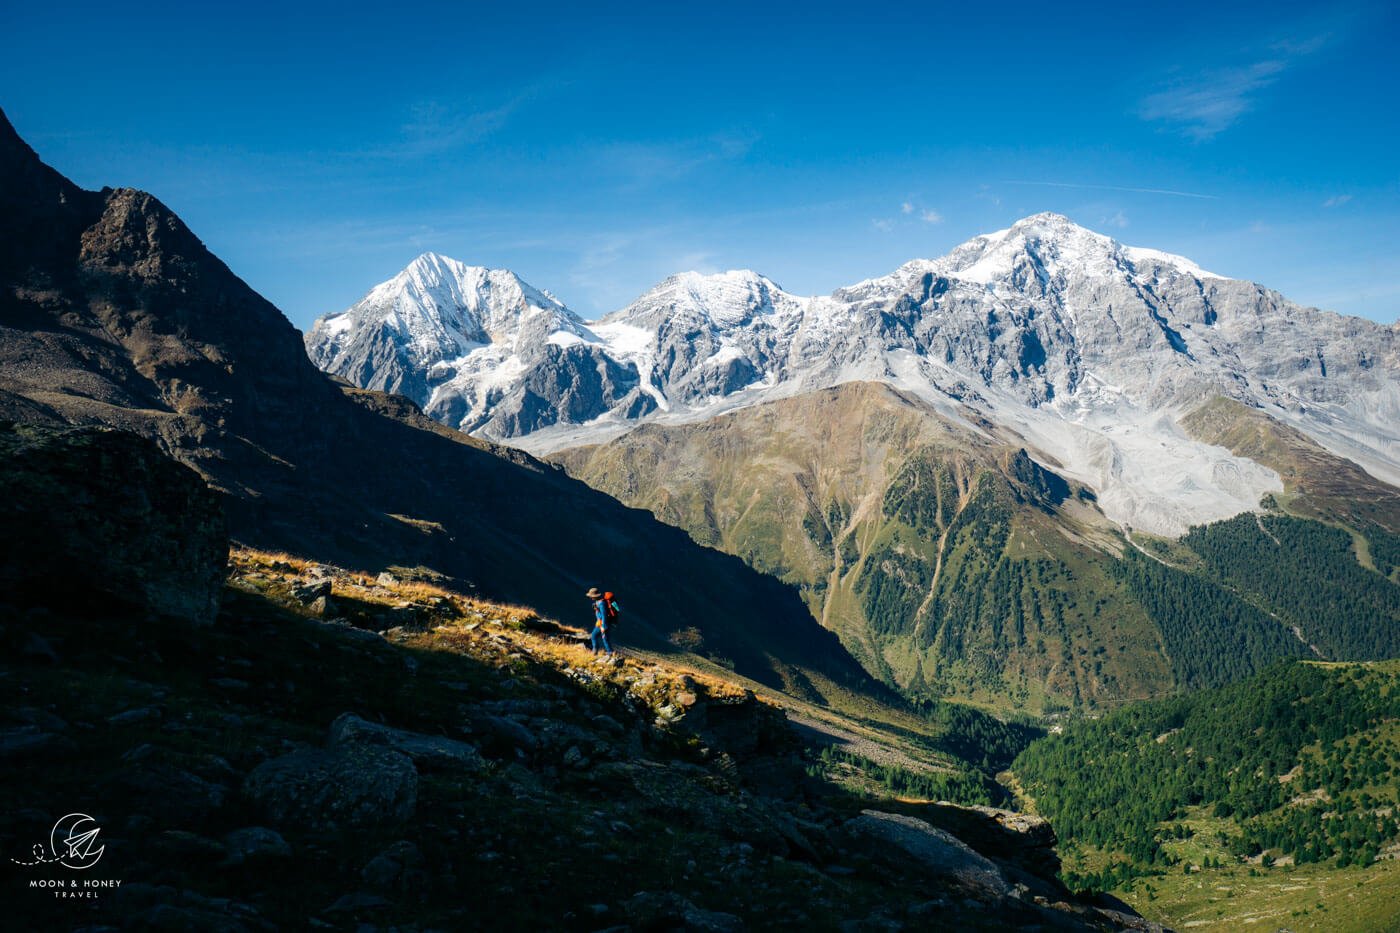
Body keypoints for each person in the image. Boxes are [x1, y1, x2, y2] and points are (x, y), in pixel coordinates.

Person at [585, 586, 614, 658]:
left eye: (591, 596)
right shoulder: (598, 602)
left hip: (602, 624)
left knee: (596, 636)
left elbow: (604, 615)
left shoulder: (601, 603)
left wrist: (604, 626)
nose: (591, 597)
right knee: (602, 638)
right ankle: (609, 653)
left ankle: (599, 652)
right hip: (600, 623)